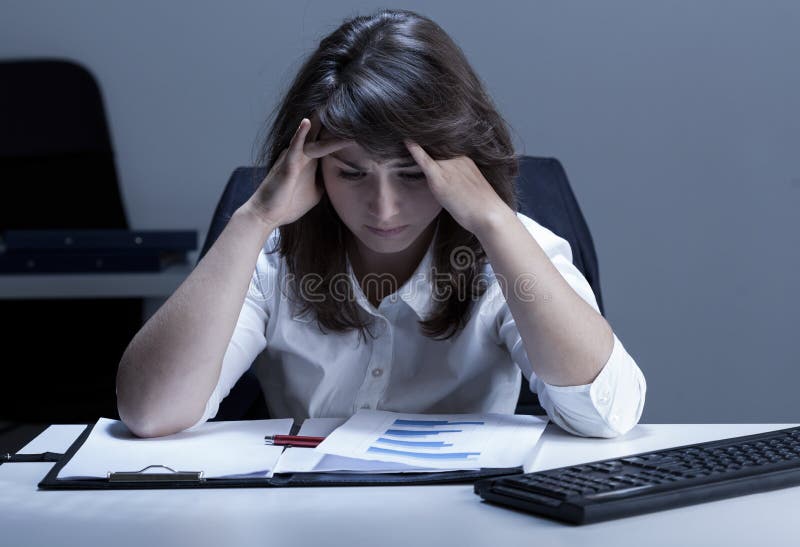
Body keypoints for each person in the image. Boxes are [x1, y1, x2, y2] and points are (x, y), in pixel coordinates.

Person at [116, 8, 646, 439]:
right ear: (313, 168)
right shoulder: (271, 255)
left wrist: (492, 218)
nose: (384, 208)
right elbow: (151, 413)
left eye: (412, 175)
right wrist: (254, 218)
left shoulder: (508, 245)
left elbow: (606, 415)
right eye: (352, 173)